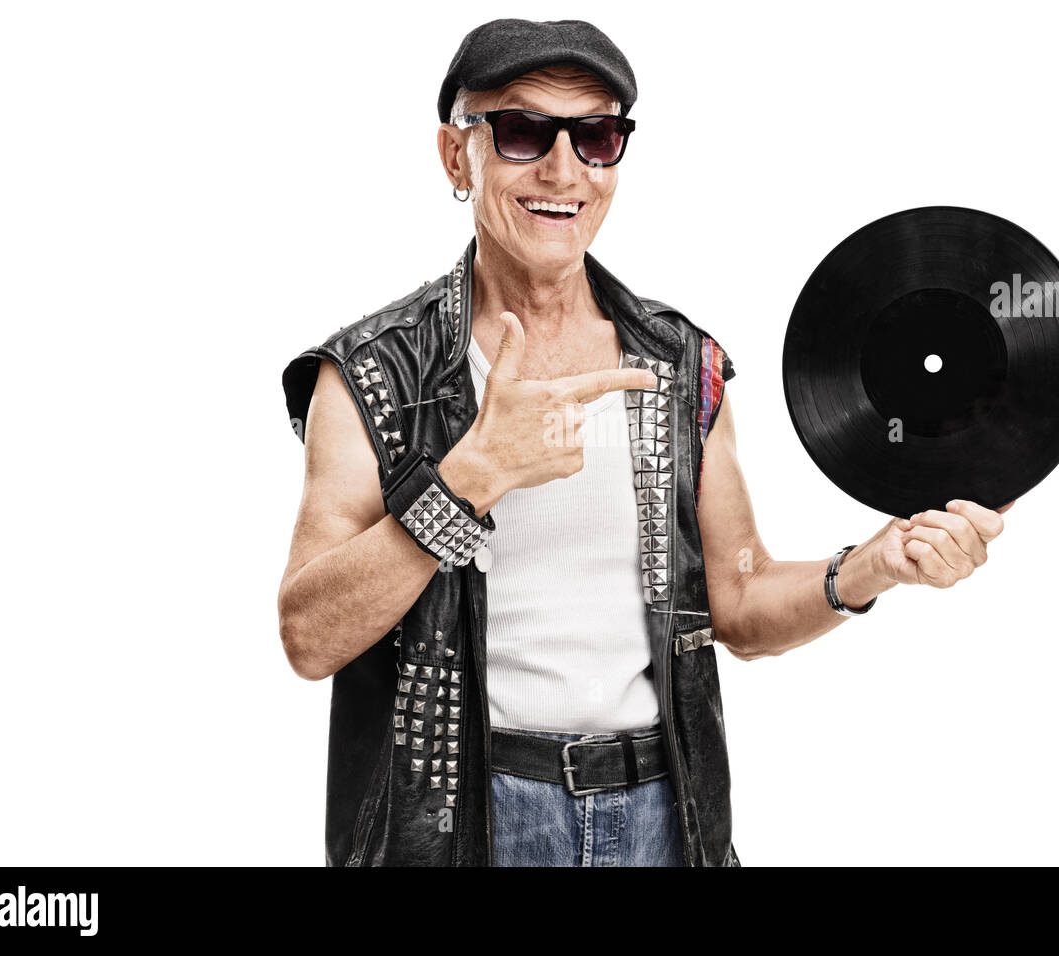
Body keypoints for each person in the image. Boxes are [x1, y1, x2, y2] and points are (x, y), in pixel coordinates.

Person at [277, 17, 1010, 867]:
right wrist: (473, 475)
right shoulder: (374, 372)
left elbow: (737, 605)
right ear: (455, 154)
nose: (563, 171)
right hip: (471, 822)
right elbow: (309, 637)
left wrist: (870, 567)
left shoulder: (679, 364)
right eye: (522, 132)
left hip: (666, 815)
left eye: (596, 136)